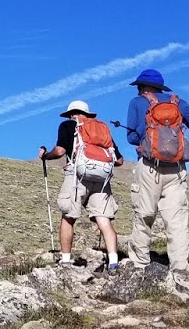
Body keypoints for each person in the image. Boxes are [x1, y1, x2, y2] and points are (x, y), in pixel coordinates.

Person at [119, 69, 189, 281]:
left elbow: (131, 138)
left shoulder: (137, 103)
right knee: (176, 222)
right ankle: (180, 270)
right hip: (177, 170)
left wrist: (148, 137)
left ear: (141, 87)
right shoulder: (179, 103)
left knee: (144, 216)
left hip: (149, 167)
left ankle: (139, 266)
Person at [38, 100, 125, 270]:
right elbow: (119, 160)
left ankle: (65, 261)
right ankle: (113, 261)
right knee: (104, 219)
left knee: (69, 216)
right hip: (101, 181)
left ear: (72, 114)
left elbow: (60, 151)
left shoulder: (68, 125)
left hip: (76, 177)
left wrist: (46, 156)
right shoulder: (101, 128)